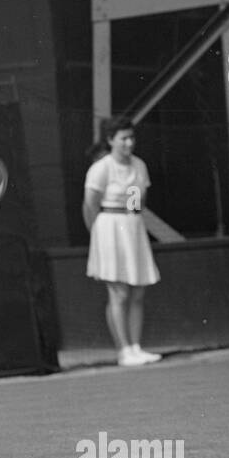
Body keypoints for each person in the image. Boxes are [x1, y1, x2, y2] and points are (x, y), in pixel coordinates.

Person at [83, 116, 161, 367]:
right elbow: (90, 205)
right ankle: (123, 350)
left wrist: (131, 215)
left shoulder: (139, 166)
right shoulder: (101, 168)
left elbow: (138, 203)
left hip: (133, 228)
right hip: (107, 229)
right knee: (119, 293)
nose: (129, 143)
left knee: (137, 291)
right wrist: (97, 234)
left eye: (131, 138)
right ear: (110, 140)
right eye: (123, 139)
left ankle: (136, 347)